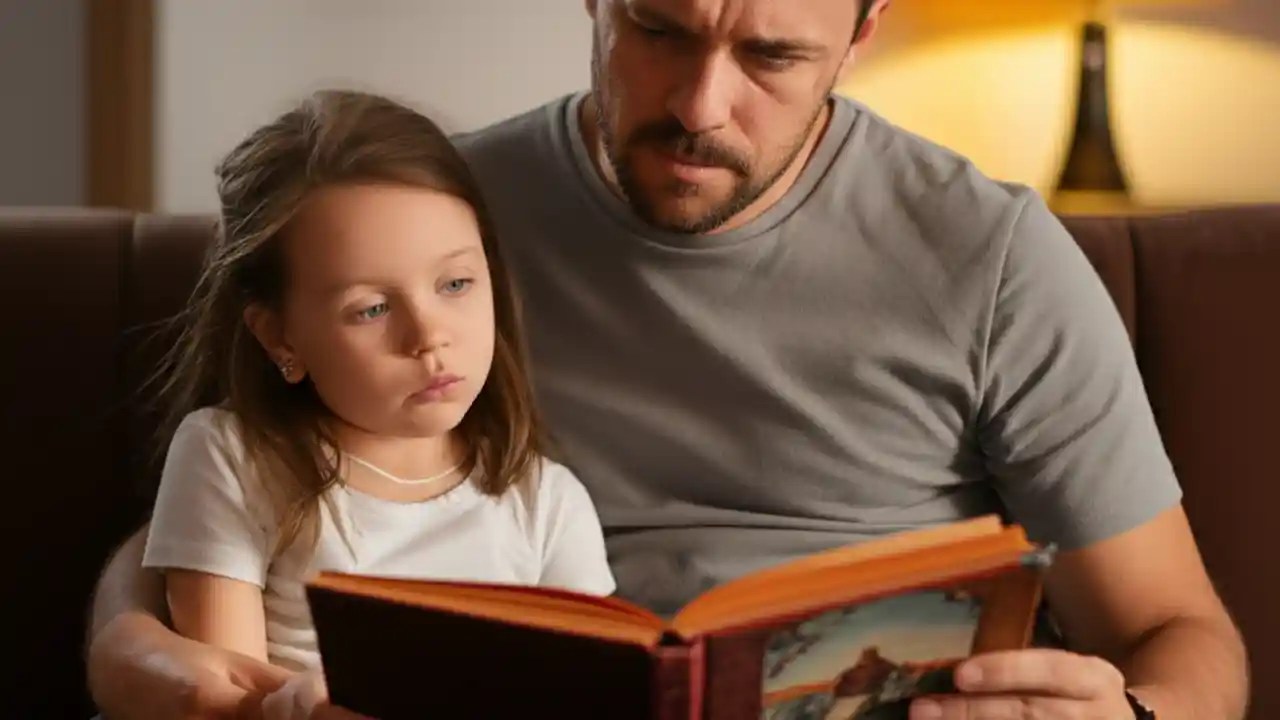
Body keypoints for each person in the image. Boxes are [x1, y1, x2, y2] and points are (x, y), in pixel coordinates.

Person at [87, 1, 1249, 718]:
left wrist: (1133, 716)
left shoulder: (991, 258)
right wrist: (125, 652)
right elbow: (236, 486)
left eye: (771, 55)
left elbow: (1183, 636)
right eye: (657, 30)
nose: (701, 104)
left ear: (862, 28)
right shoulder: (430, 220)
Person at [105, 89, 616, 717]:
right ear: (280, 336)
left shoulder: (546, 501)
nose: (429, 336)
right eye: (371, 309)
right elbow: (224, 689)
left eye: (456, 283)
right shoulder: (231, 457)